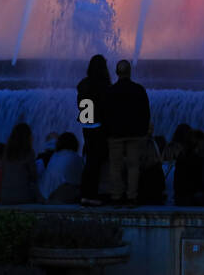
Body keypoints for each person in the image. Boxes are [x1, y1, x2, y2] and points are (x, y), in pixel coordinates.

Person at [105, 59, 150, 207]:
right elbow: (145, 112)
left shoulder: (110, 91)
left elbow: (105, 113)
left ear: (117, 73)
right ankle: (132, 197)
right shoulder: (139, 89)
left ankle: (116, 197)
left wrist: (107, 130)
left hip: (115, 134)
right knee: (133, 166)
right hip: (134, 133)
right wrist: (144, 130)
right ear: (130, 72)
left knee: (115, 166)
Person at [77, 53, 111, 206]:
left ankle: (86, 194)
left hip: (87, 126)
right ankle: (92, 195)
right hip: (99, 127)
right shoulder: (103, 85)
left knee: (90, 159)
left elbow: (81, 105)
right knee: (96, 161)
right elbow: (106, 108)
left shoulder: (83, 84)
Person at [1, 122, 43, 205]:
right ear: (27, 137)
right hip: (22, 196)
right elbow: (34, 176)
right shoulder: (29, 152)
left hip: (5, 196)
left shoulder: (7, 152)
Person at [40, 132, 84, 203]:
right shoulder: (74, 157)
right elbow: (81, 179)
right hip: (58, 197)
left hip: (44, 195)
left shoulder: (55, 155)